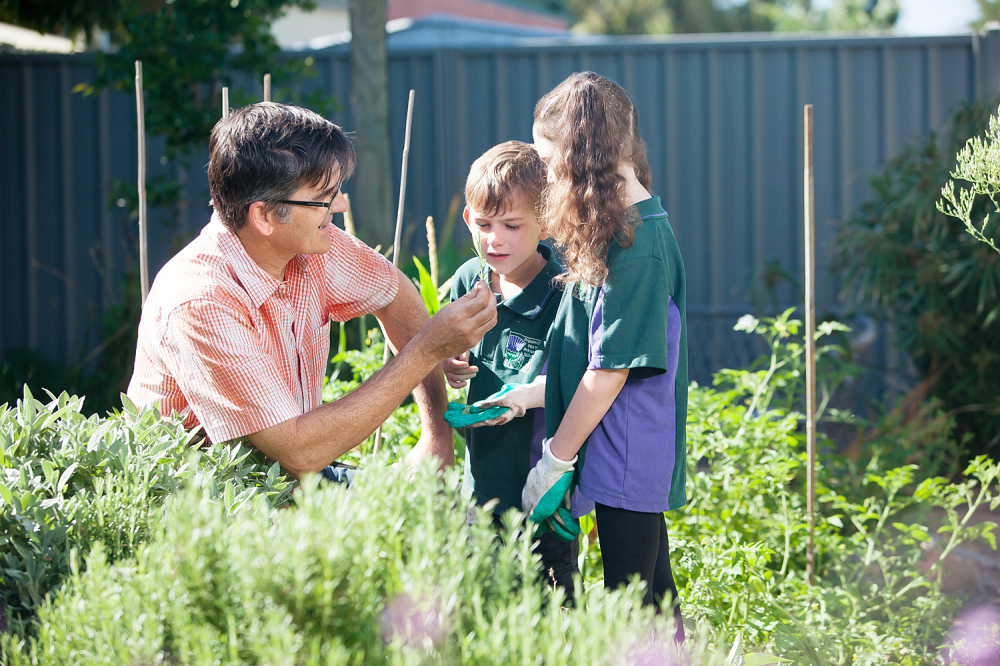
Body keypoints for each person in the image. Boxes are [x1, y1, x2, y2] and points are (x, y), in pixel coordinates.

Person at [127, 102, 497, 477]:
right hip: (212, 504)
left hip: (291, 485)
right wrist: (425, 350)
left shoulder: (308, 246)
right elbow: (298, 452)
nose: (340, 205)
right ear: (264, 216)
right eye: (324, 195)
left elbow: (395, 294)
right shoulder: (202, 301)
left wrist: (436, 437)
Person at [522, 72, 689, 639]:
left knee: (632, 616)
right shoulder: (625, 230)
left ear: (582, 159)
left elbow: (609, 370)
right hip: (620, 454)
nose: (545, 177)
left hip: (626, 458)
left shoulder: (638, 245)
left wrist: (554, 462)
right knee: (655, 611)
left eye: (549, 164)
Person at [442, 141, 591, 602]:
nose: (495, 240)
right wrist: (450, 364)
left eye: (512, 225)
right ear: (469, 219)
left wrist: (525, 395)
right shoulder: (471, 278)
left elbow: (582, 382)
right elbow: (455, 347)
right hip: (481, 479)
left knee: (550, 604)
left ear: (545, 223)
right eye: (484, 225)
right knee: (482, 602)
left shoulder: (566, 288)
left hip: (540, 485)